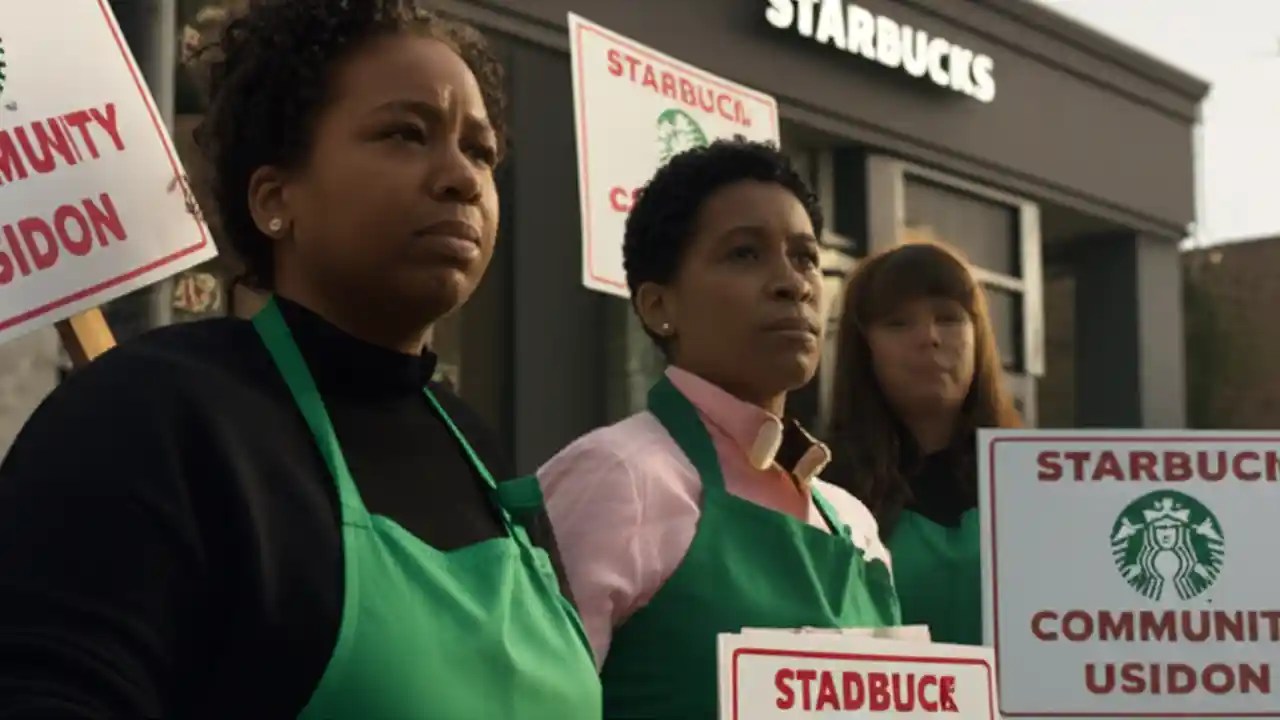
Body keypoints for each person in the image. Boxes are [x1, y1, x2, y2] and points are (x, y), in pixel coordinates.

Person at [0, 1, 600, 718]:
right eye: (406, 134)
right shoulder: (147, 416)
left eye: (480, 151)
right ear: (275, 198)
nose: (461, 178)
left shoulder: (480, 453)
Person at [538, 138, 901, 719]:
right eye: (744, 254)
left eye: (805, 257)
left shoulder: (854, 525)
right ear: (659, 305)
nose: (794, 283)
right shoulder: (617, 479)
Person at [825, 240, 1022, 646]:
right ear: (865, 348)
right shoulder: (823, 491)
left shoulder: (1036, 482)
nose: (929, 337)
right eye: (898, 323)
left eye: (949, 319)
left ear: (979, 337)